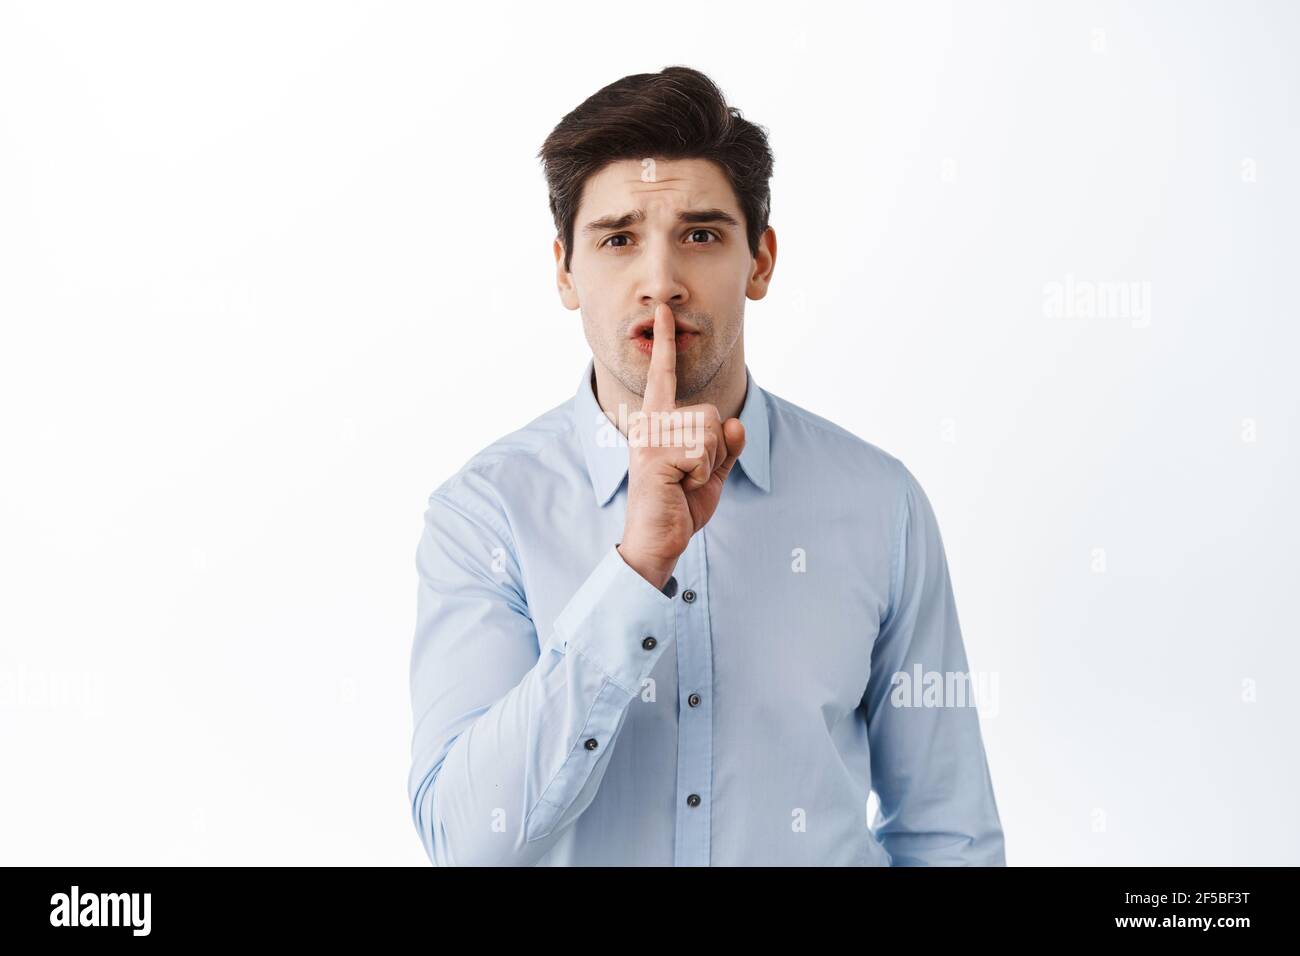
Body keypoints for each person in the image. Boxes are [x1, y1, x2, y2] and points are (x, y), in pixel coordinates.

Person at [407, 65, 1006, 866]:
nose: (661, 283)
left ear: (759, 261)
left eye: (701, 235)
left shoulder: (879, 504)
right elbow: (465, 840)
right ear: (563, 270)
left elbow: (950, 836)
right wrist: (636, 568)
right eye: (618, 238)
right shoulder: (484, 515)